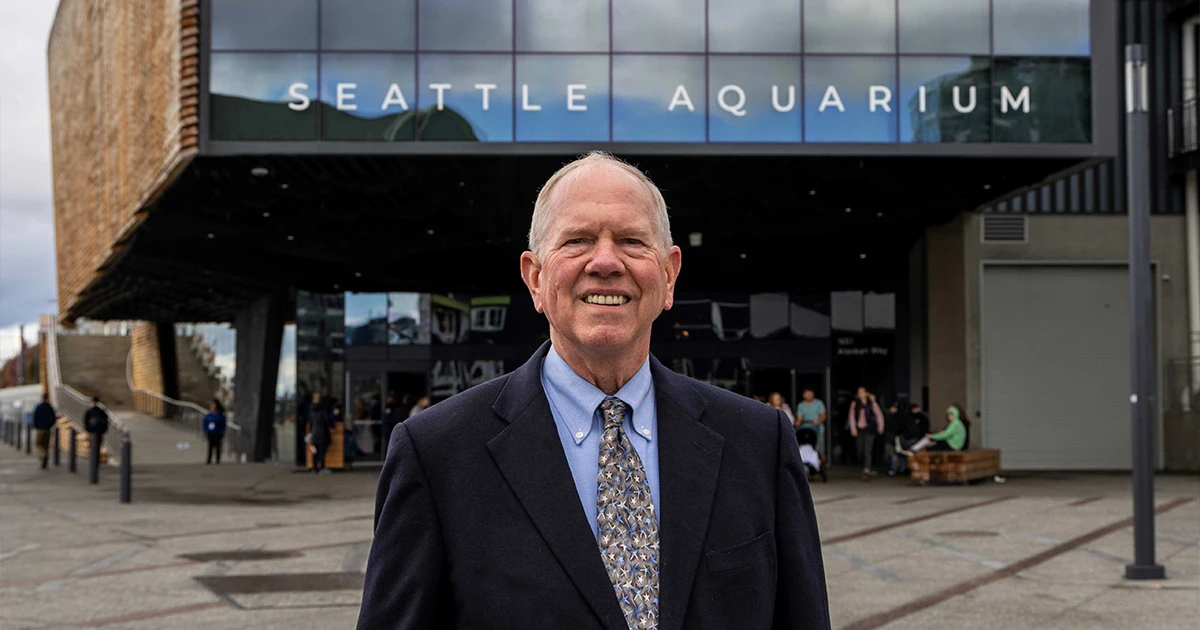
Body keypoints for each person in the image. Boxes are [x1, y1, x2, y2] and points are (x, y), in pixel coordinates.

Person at [358, 152, 829, 629]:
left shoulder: (760, 442)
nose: (605, 262)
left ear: (668, 275)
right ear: (535, 279)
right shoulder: (436, 453)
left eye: (631, 240)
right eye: (578, 240)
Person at [848, 387, 885, 481]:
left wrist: (880, 427)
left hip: (870, 428)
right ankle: (863, 466)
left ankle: (866, 470)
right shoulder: (855, 404)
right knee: (860, 449)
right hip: (860, 428)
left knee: (867, 450)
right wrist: (853, 428)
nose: (861, 394)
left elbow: (879, 415)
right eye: (859, 392)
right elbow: (851, 417)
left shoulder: (871, 403)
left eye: (863, 392)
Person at [890, 402, 930, 475]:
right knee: (911, 452)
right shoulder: (921, 417)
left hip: (905, 437)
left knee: (898, 452)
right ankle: (906, 469)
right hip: (916, 438)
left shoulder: (904, 417)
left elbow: (898, 428)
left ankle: (895, 469)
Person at [795, 388, 827, 456]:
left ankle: (822, 458)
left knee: (820, 445)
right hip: (804, 428)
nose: (809, 395)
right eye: (807, 394)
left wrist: (818, 421)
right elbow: (799, 418)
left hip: (817, 427)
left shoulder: (819, 403)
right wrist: (798, 422)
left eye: (810, 394)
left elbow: (823, 416)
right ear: (803, 395)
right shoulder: (801, 405)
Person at [307, 392, 332, 474]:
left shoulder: (311, 411)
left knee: (315, 452)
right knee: (321, 452)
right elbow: (328, 422)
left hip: (314, 434)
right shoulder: (322, 411)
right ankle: (321, 467)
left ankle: (314, 467)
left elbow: (310, 423)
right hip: (322, 434)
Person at [83, 396, 108, 474]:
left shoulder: (90, 411)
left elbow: (85, 422)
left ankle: (94, 461)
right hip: (97, 432)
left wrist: (88, 430)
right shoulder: (101, 411)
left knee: (94, 446)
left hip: (94, 432)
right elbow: (105, 422)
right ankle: (95, 461)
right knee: (96, 447)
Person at [32, 393, 57, 469]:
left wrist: (36, 426)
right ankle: (45, 459)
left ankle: (43, 455)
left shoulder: (38, 407)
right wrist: (50, 425)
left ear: (42, 398)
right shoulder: (50, 407)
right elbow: (53, 418)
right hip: (47, 429)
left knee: (38, 444)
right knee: (46, 445)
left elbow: (35, 417)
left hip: (40, 429)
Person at [203, 399, 226, 465]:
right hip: (210, 432)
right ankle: (209, 459)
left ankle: (217, 459)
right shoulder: (208, 415)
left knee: (218, 446)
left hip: (217, 432)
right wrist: (205, 429)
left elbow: (223, 424)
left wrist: (222, 431)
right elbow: (205, 423)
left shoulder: (220, 415)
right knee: (210, 446)